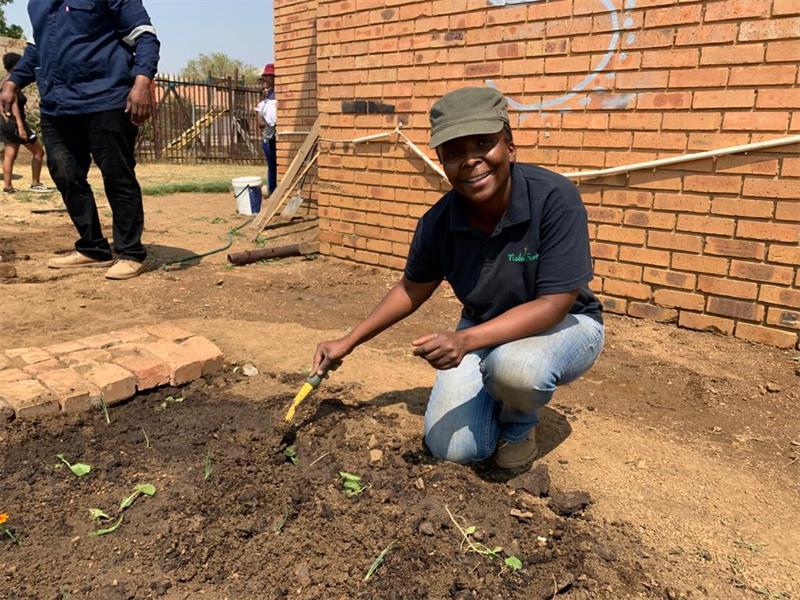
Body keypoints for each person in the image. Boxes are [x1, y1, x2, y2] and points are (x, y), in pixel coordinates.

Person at [312, 87, 604, 469]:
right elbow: (410, 289)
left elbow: (554, 304)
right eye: (453, 151)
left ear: (510, 147)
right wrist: (346, 342)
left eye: (484, 143)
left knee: (517, 369)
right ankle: (499, 391)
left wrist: (463, 341)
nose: (470, 161)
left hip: (567, 325)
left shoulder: (553, 198)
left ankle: (519, 425)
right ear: (442, 162)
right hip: (483, 327)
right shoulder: (438, 224)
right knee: (453, 449)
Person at [0, 0, 160, 280]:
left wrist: (142, 80)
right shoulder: (37, 3)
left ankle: (130, 252)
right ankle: (93, 247)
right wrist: (13, 82)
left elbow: (144, 36)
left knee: (117, 174)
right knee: (65, 173)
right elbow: (36, 49)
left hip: (106, 99)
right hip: (57, 105)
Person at [0, 52, 46, 194]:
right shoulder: (13, 83)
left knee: (9, 155)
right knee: (38, 151)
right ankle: (35, 183)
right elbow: (13, 104)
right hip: (16, 123)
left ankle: (8, 186)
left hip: (5, 123)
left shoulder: (3, 82)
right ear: (16, 65)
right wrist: (21, 126)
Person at [255, 63, 277, 194]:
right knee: (272, 166)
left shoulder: (275, 100)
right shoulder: (263, 104)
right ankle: (272, 190)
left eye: (268, 78)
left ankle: (274, 190)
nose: (266, 83)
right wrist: (272, 123)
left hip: (276, 138)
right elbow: (260, 123)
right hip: (268, 140)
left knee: (276, 166)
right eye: (265, 79)